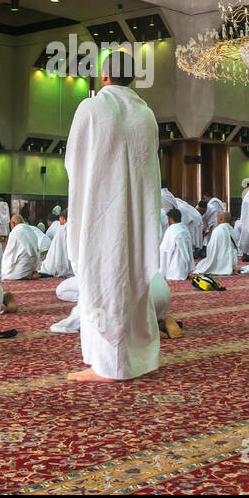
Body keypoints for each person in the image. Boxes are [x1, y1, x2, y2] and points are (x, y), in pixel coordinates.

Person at [64, 50, 160, 383]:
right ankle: (137, 359)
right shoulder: (146, 115)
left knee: (101, 280)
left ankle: (104, 365)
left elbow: (72, 162)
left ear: (103, 76)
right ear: (133, 78)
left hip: (99, 215)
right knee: (131, 279)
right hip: (135, 219)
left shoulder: (91, 108)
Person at [51, 272, 182, 340]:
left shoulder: (96, 259)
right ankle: (159, 321)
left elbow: (62, 290)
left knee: (92, 304)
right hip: (163, 296)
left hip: (139, 303)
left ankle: (144, 328)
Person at [1, 215, 43, 280]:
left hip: (21, 271)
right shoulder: (31, 231)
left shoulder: (15, 232)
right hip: (31, 268)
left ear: (13, 223)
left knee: (1, 274)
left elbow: (9, 254)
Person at [159, 207, 195, 281]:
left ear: (170, 218)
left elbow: (165, 250)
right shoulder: (185, 228)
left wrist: (162, 271)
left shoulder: (171, 229)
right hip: (185, 268)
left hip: (174, 270)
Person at [40, 209, 73, 278]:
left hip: (64, 268)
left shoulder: (62, 229)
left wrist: (45, 264)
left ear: (61, 218)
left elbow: (53, 253)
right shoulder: (79, 228)